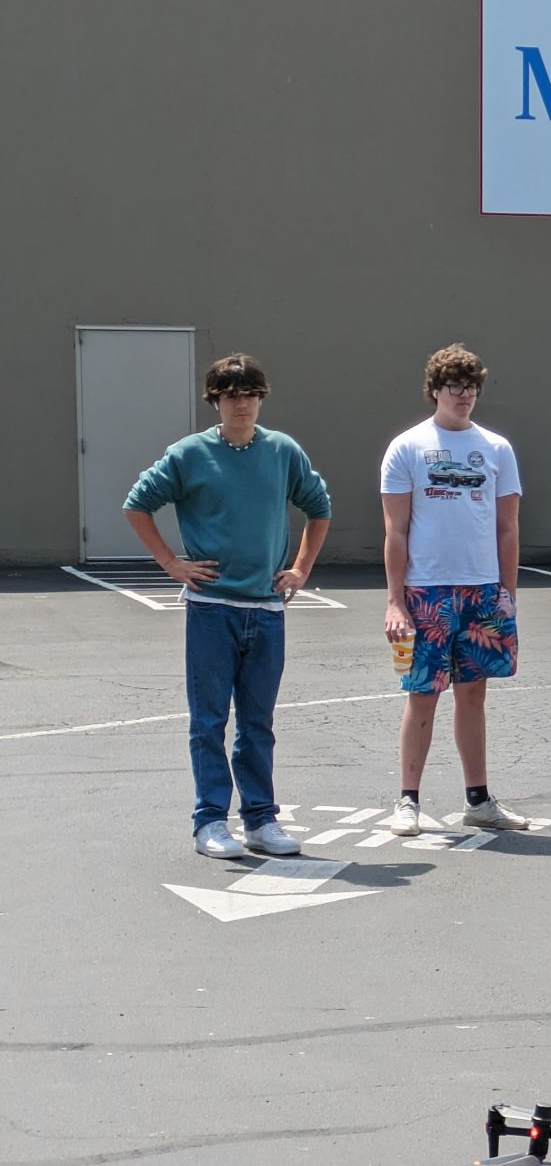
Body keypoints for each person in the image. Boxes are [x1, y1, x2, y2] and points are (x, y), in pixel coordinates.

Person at [123, 353, 332, 858]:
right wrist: (171, 563)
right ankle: (210, 821)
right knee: (209, 720)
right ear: (215, 400)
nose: (243, 404)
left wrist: (300, 569)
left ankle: (261, 819)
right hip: (211, 608)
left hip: (267, 610)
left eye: (252, 395)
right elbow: (137, 504)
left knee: (258, 723)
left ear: (262, 399)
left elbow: (318, 507)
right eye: (232, 395)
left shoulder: (282, 451)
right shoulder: (189, 454)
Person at [380, 343, 529, 835]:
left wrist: (507, 591)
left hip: (482, 590)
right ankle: (407, 800)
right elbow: (396, 531)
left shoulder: (497, 449)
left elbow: (507, 527)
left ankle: (478, 799)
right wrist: (395, 600)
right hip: (427, 592)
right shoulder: (407, 447)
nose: (463, 395)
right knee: (422, 693)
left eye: (470, 387)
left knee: (473, 695)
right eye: (453, 386)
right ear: (434, 391)